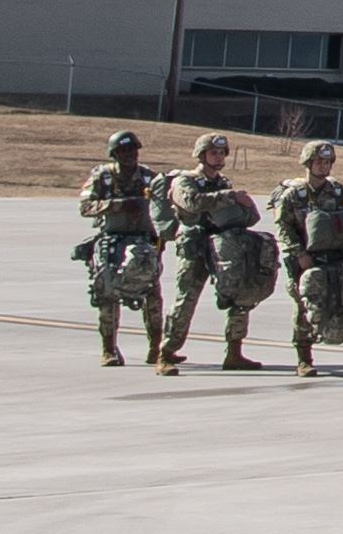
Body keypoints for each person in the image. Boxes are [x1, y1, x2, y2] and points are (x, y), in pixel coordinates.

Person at [163, 133, 274, 373]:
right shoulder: (185, 181)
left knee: (240, 295)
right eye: (213, 152)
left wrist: (240, 203)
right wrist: (231, 198)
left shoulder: (223, 183)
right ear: (202, 155)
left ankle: (234, 352)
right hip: (195, 248)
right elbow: (192, 203)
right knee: (186, 299)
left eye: (222, 153)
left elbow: (250, 215)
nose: (219, 157)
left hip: (225, 247)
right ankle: (166, 352)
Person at [269, 138, 343, 376]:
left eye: (327, 161)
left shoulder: (341, 192)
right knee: (304, 308)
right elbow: (283, 227)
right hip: (307, 261)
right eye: (319, 161)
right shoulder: (294, 196)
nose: (323, 166)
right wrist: (299, 254)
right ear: (308, 163)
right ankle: (304, 358)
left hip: (338, 260)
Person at [78, 130, 169, 371]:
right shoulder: (102, 177)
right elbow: (85, 206)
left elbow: (166, 207)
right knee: (107, 294)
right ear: (114, 154)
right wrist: (119, 205)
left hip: (143, 243)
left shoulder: (151, 178)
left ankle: (156, 347)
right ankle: (109, 348)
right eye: (124, 151)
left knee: (152, 294)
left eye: (133, 150)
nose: (130, 155)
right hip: (112, 241)